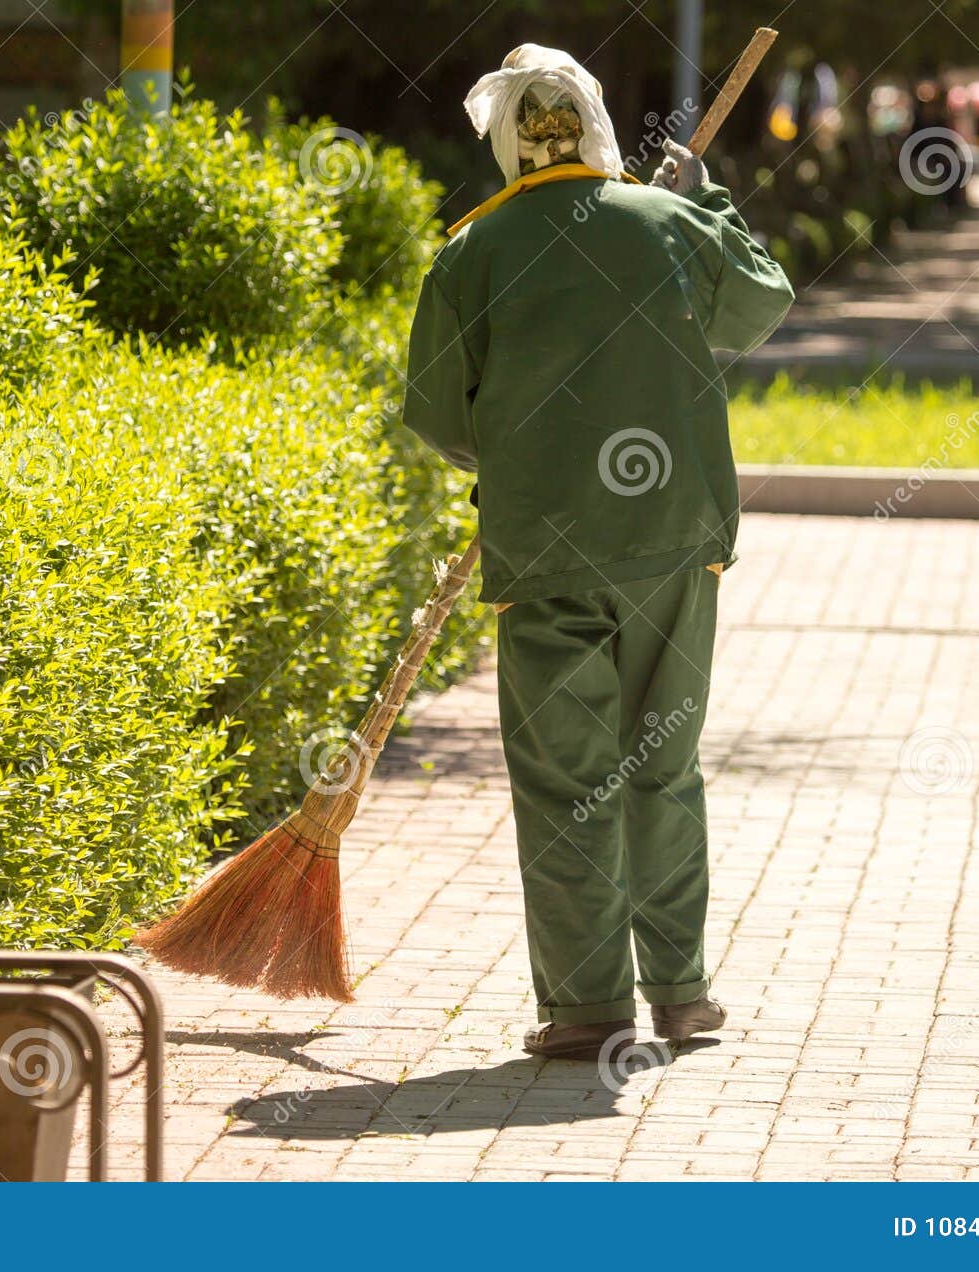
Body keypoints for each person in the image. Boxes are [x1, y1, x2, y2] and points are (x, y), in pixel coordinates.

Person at [401, 45, 793, 1060]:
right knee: (662, 764)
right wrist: (703, 209)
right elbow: (759, 303)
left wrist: (521, 460)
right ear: (597, 124)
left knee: (567, 777)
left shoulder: (471, 253)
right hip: (672, 544)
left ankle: (584, 1011)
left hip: (541, 548)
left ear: (504, 142)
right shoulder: (666, 225)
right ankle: (679, 995)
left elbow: (439, 414)